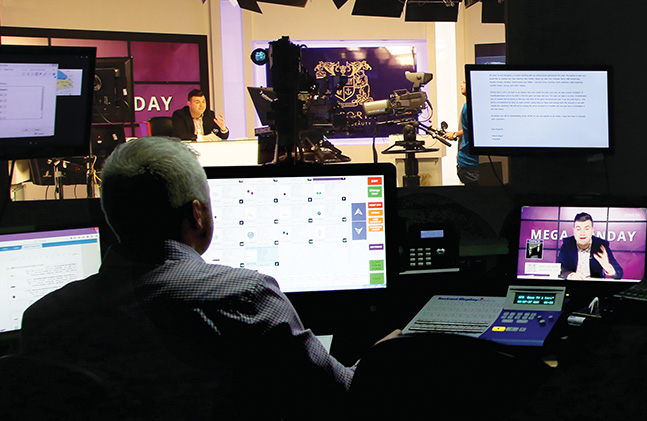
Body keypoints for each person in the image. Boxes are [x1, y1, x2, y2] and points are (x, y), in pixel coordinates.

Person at [20, 137, 399, 420]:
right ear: (197, 214)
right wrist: (382, 354)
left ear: (111, 215)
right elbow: (340, 395)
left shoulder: (43, 317)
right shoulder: (245, 296)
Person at [556, 212, 623, 280]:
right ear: (574, 231)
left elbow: (619, 273)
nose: (582, 233)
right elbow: (559, 268)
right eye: (578, 229)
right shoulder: (567, 244)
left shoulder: (600, 245)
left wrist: (608, 268)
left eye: (586, 229)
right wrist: (571, 275)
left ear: (592, 230)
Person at [444, 81, 479, 185]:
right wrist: (454, 134)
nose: (461, 85)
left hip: (470, 164)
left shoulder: (469, 107)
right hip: (471, 162)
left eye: (464, 83)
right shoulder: (474, 106)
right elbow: (469, 128)